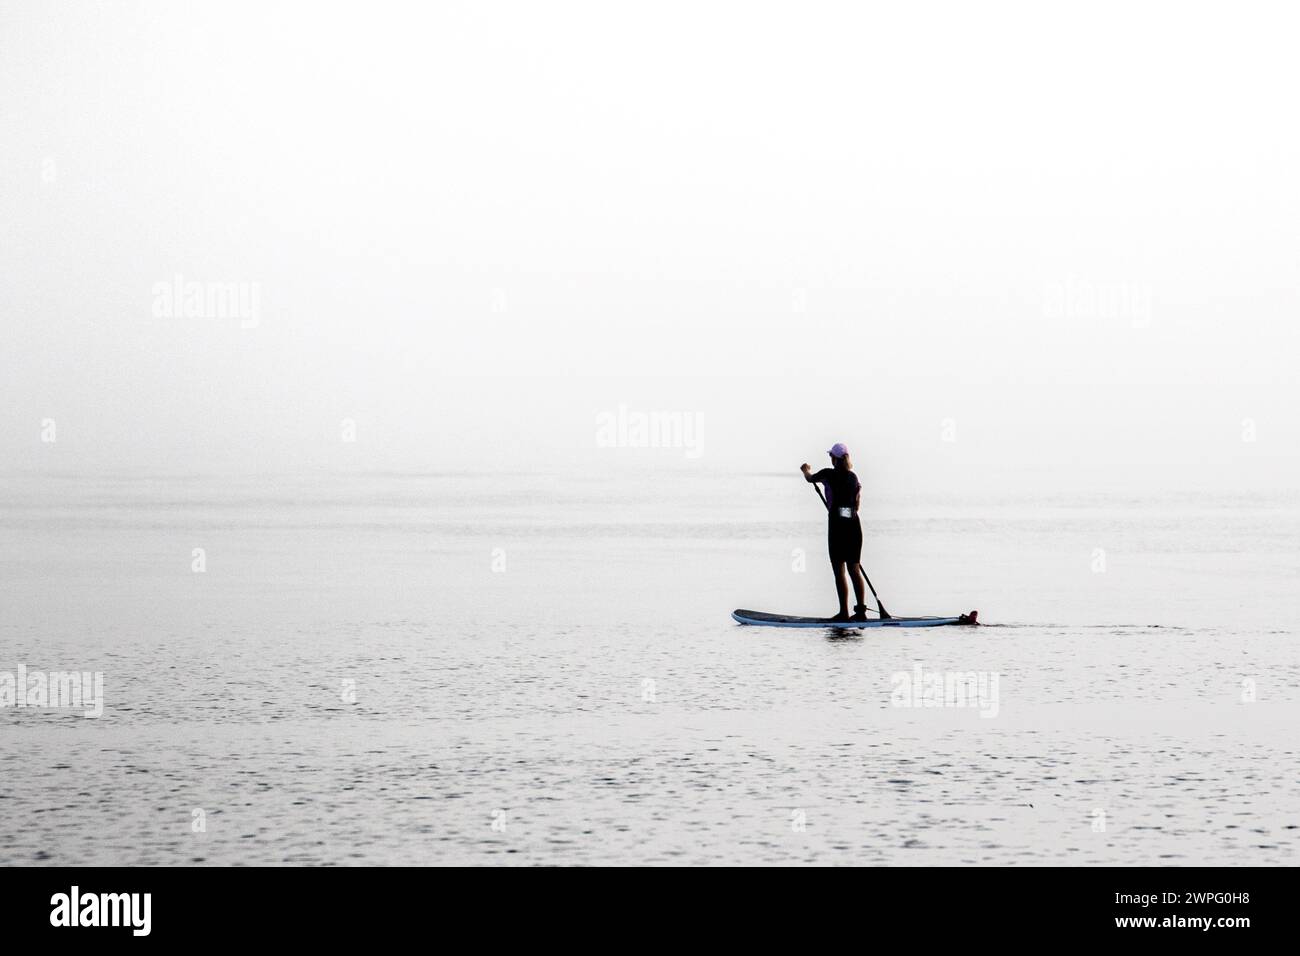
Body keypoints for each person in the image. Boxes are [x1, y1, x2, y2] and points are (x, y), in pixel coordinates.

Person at [801, 443, 868, 622]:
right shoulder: (854, 478)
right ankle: (861, 611)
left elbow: (810, 478)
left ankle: (844, 613)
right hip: (854, 525)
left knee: (839, 570)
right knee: (854, 569)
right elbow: (857, 505)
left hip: (838, 527)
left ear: (834, 459)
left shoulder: (827, 474)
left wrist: (805, 470)